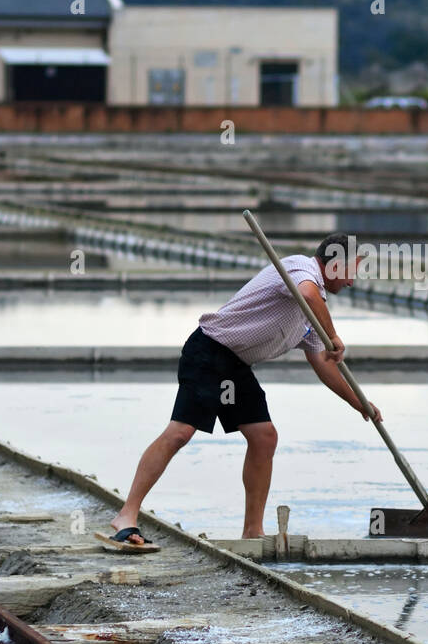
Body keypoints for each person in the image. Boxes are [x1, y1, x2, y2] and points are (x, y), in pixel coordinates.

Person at [106, 233, 381, 545]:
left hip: (235, 365)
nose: (352, 282)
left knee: (264, 437)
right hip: (208, 351)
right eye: (352, 271)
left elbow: (324, 364)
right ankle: (126, 514)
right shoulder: (299, 269)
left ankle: (252, 531)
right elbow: (307, 294)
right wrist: (334, 334)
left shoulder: (314, 311)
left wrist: (359, 402)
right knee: (181, 432)